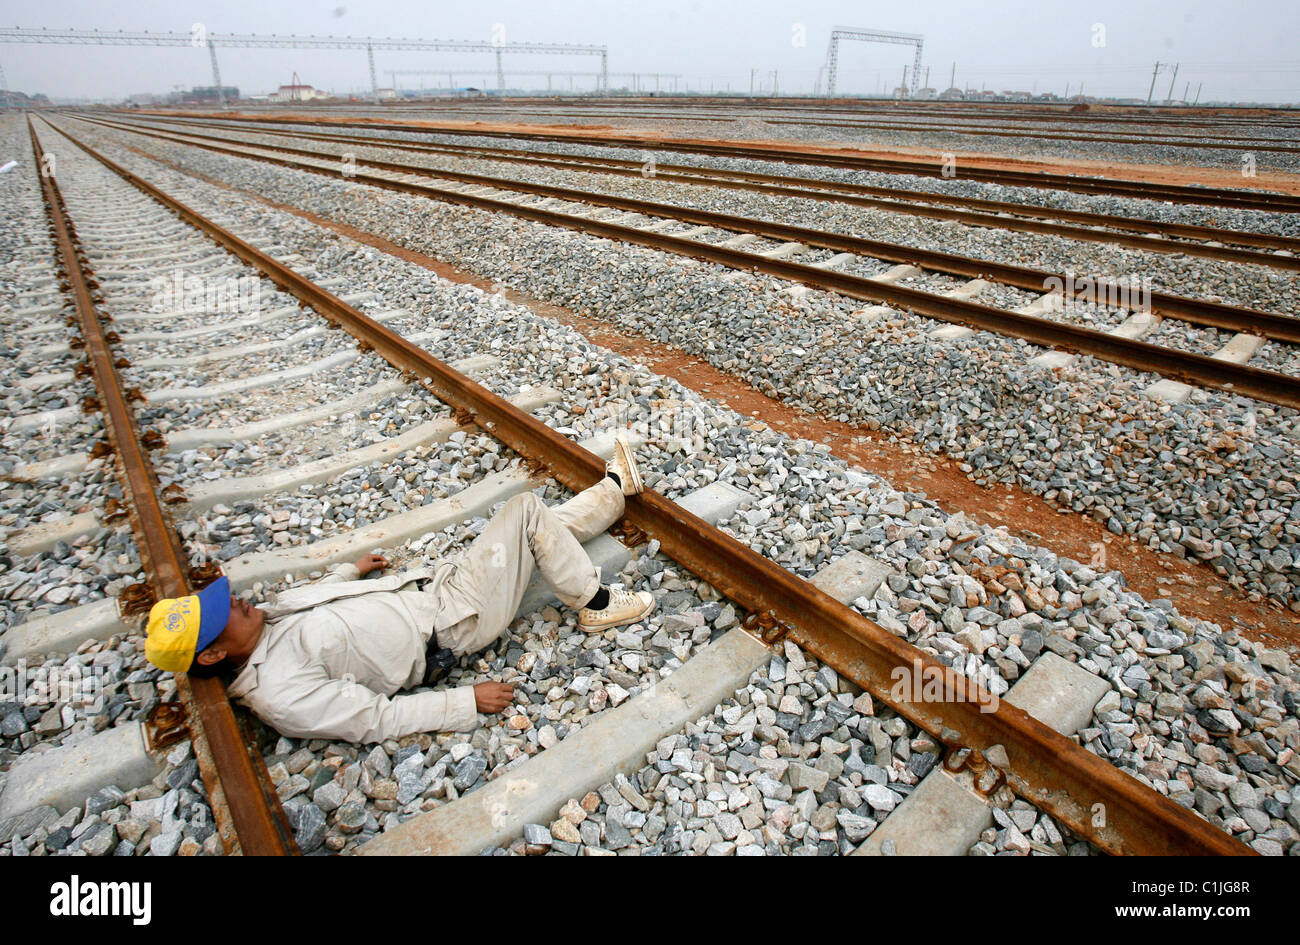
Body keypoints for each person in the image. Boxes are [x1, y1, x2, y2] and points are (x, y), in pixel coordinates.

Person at [143, 437, 654, 744]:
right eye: (220, 615)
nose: (233, 601)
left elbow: (317, 593)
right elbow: (374, 719)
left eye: (220, 598)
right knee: (524, 513)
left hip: (435, 589)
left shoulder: (266, 620)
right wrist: (464, 703)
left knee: (537, 530)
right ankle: (596, 604)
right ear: (211, 655)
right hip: (456, 621)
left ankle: (615, 489)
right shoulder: (280, 693)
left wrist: (351, 570)